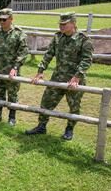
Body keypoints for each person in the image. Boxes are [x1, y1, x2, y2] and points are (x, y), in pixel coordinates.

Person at [25, 12, 94, 140]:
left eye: (64, 24)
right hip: (57, 77)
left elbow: (87, 60)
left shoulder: (84, 39)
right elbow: (48, 54)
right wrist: (40, 71)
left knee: (74, 106)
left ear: (73, 23)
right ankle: (41, 126)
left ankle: (69, 129)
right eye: (60, 24)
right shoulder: (58, 37)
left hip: (74, 80)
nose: (61, 26)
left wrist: (77, 76)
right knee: (46, 101)